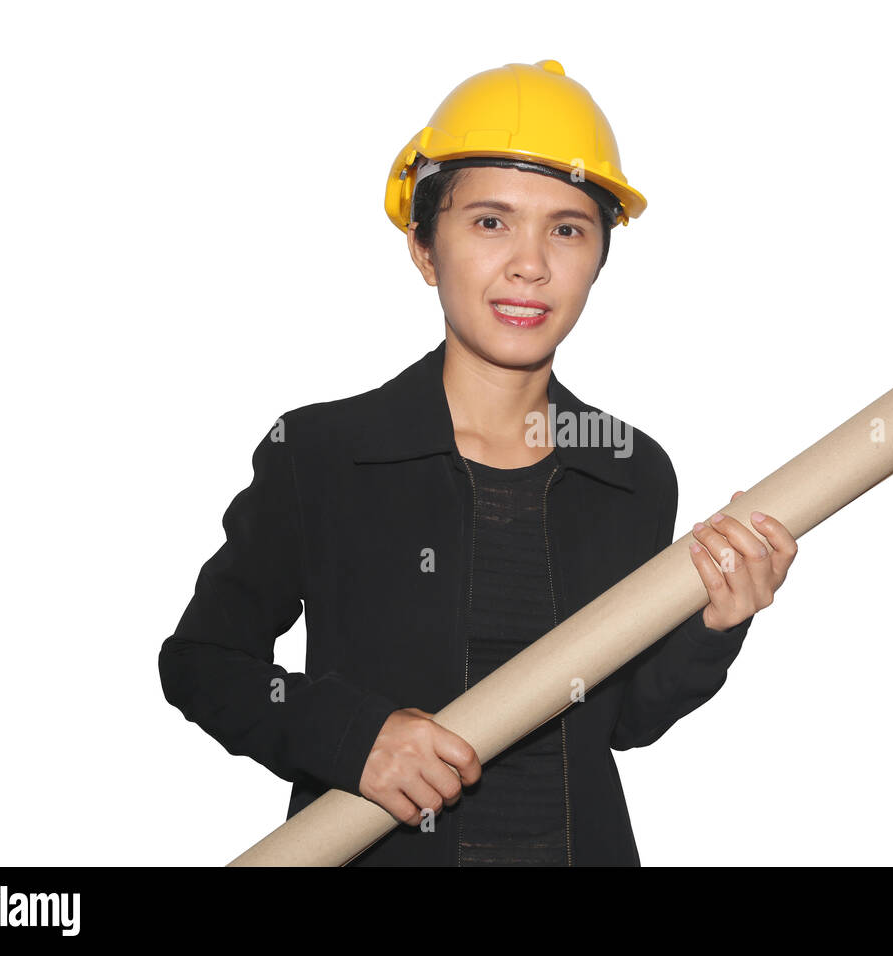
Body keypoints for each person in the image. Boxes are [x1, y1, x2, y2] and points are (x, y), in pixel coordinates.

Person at [159, 59, 798, 866]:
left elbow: (624, 723)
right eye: (490, 223)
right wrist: (356, 737)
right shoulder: (322, 455)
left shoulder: (631, 471)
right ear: (424, 247)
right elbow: (202, 662)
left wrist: (716, 625)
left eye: (567, 228)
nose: (530, 264)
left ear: (600, 257)